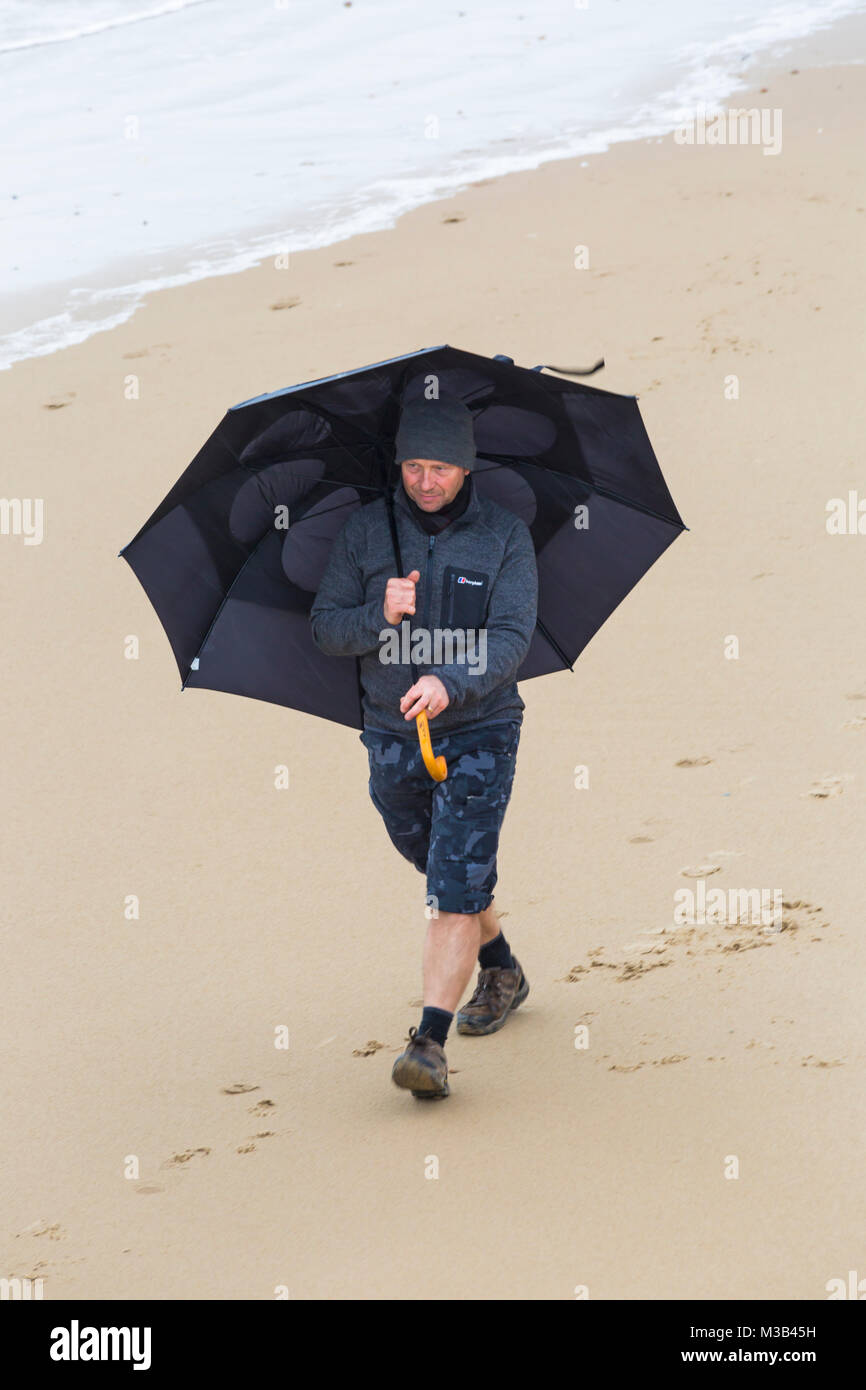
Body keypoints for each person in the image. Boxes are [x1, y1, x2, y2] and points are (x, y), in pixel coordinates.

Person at [309, 393, 538, 1099]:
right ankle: (500, 966)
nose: (427, 480)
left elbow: (510, 638)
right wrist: (376, 614)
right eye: (414, 465)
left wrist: (451, 680)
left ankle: (428, 1045)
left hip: (479, 728)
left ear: (466, 469)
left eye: (441, 467)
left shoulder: (503, 536)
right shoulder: (363, 533)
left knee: (451, 892)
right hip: (389, 733)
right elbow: (324, 629)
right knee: (439, 864)